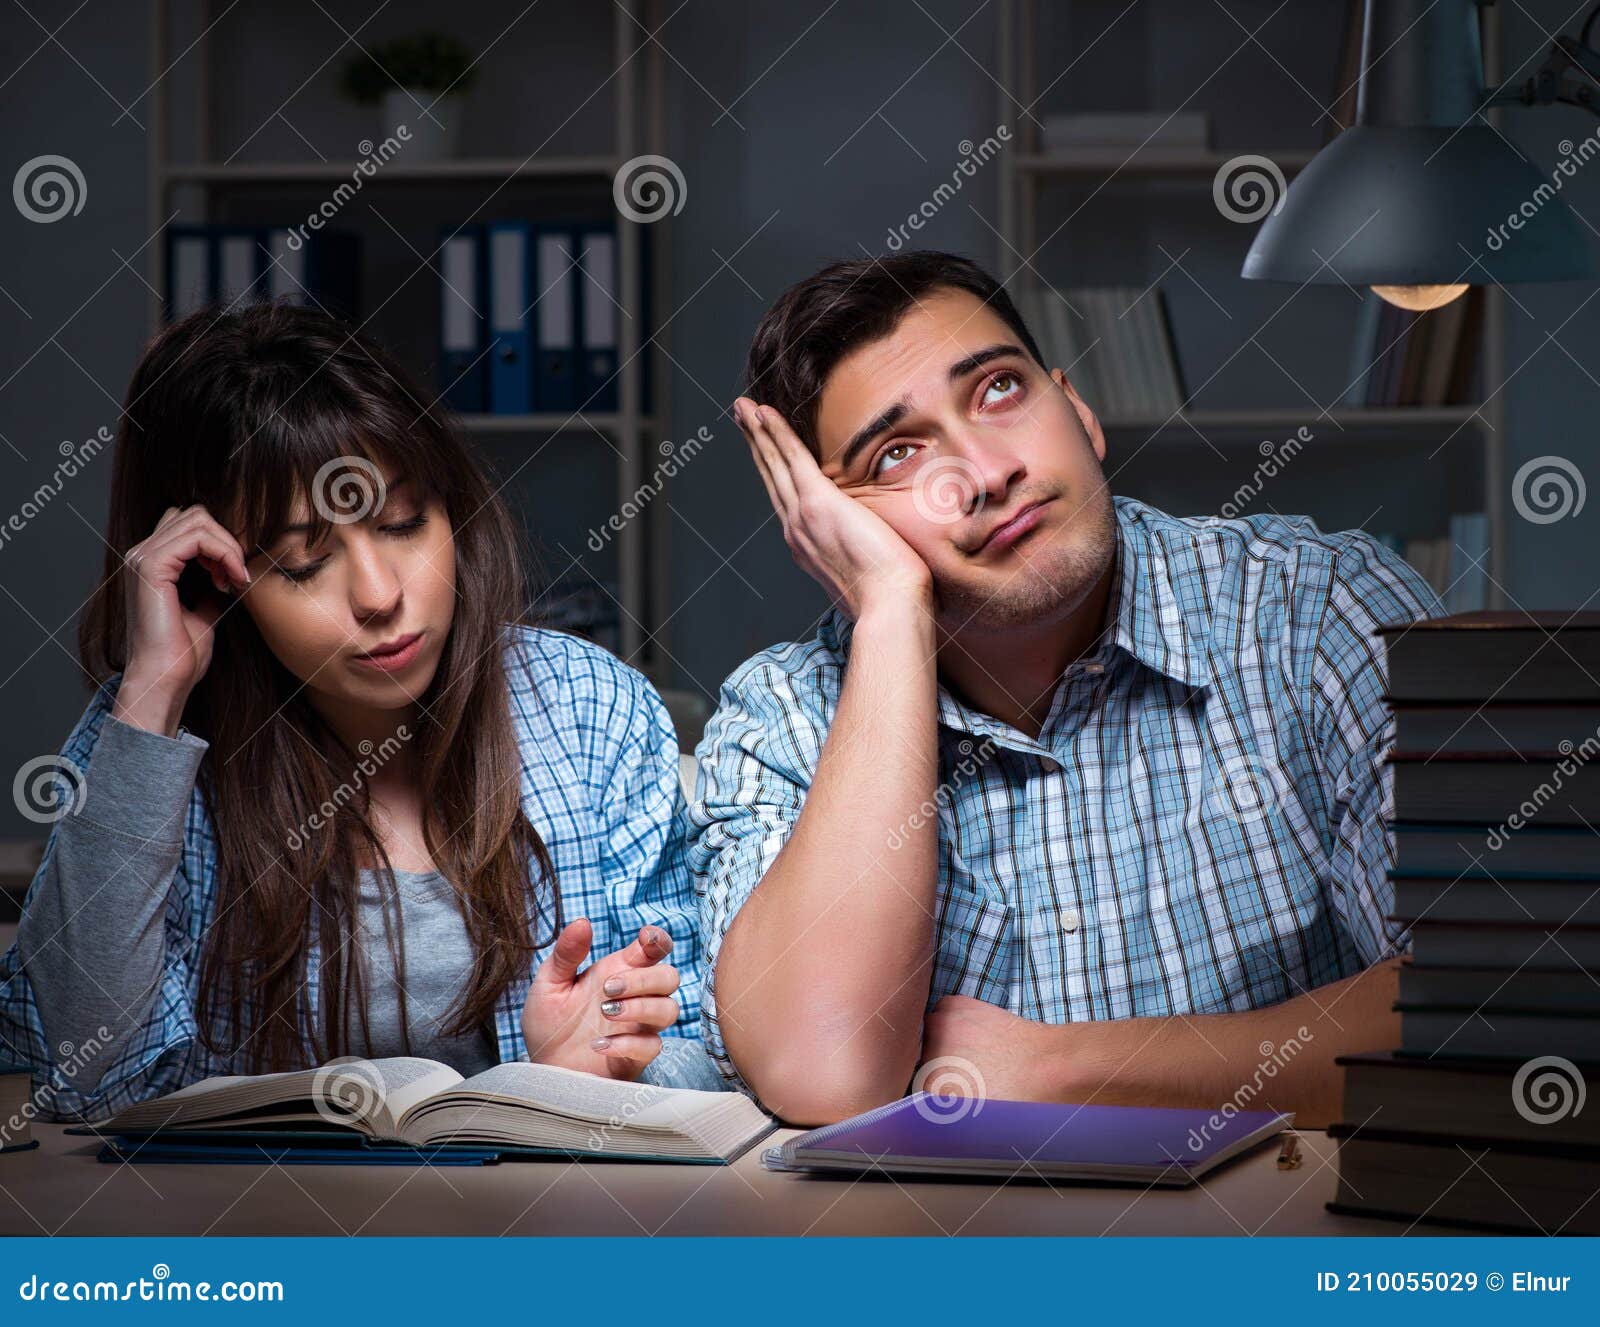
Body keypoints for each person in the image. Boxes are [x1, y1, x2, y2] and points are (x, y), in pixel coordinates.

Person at [689, 250, 1442, 1127]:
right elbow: (823, 1069)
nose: (982, 471)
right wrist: (890, 610)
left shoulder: (1319, 607)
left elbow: (1490, 1005)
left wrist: (1060, 1072)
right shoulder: (779, 717)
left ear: (1076, 408)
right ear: (827, 525)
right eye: (897, 454)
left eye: (999, 391)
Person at [0, 300, 722, 1121]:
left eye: (405, 523)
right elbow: (82, 1079)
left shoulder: (590, 707)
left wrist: (573, 1081)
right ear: (214, 581)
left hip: (528, 1221)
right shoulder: (145, 733)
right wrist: (153, 691)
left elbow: (705, 1055)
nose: (382, 597)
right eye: (304, 563)